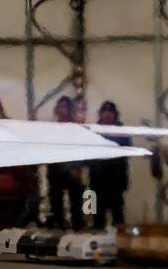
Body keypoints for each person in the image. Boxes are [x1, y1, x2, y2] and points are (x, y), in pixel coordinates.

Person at [88, 100, 131, 228]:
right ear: (100, 114)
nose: (107, 115)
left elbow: (126, 154)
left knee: (117, 213)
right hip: (97, 179)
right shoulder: (93, 131)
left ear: (115, 115)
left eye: (110, 112)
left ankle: (120, 243)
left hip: (115, 179)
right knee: (97, 214)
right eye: (105, 112)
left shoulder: (122, 132)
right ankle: (97, 241)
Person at [46, 95, 86, 230]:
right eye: (60, 107)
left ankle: (77, 228)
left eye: (64, 107)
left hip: (72, 170)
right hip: (55, 170)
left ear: (69, 110)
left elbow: (81, 148)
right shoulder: (51, 128)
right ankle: (59, 227)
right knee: (56, 203)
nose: (62, 110)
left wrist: (76, 168)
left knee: (76, 203)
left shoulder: (76, 127)